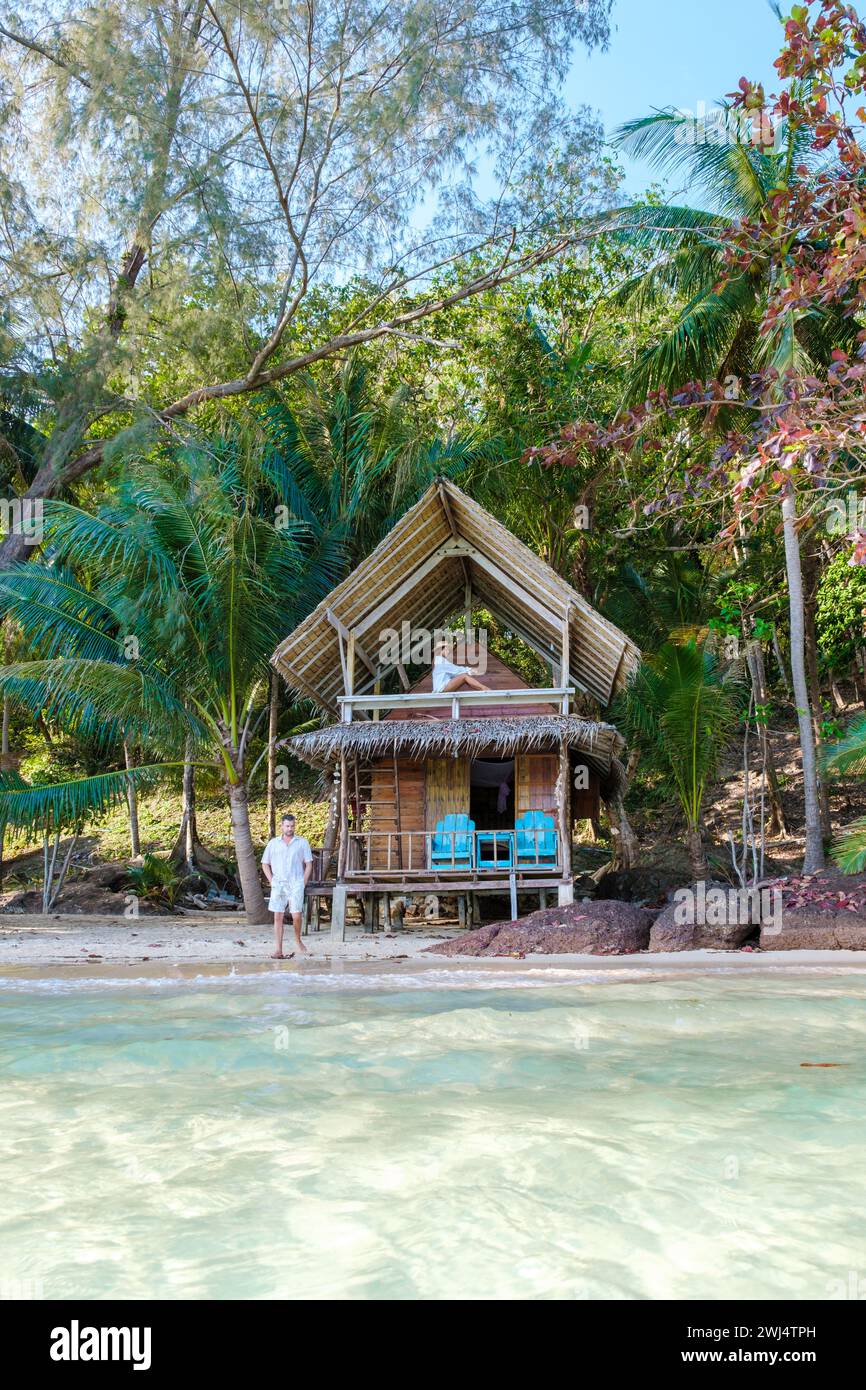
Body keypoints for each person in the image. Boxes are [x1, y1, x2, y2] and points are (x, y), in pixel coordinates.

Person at [262, 814, 313, 958]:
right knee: (278, 915)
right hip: (278, 883)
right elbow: (265, 863)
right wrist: (271, 881)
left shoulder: (302, 842)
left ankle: (297, 939)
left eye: (292, 826)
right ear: (282, 826)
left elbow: (308, 864)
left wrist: (303, 882)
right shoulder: (273, 843)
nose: (290, 829)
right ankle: (278, 949)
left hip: (296, 882)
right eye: (287, 826)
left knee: (296, 915)